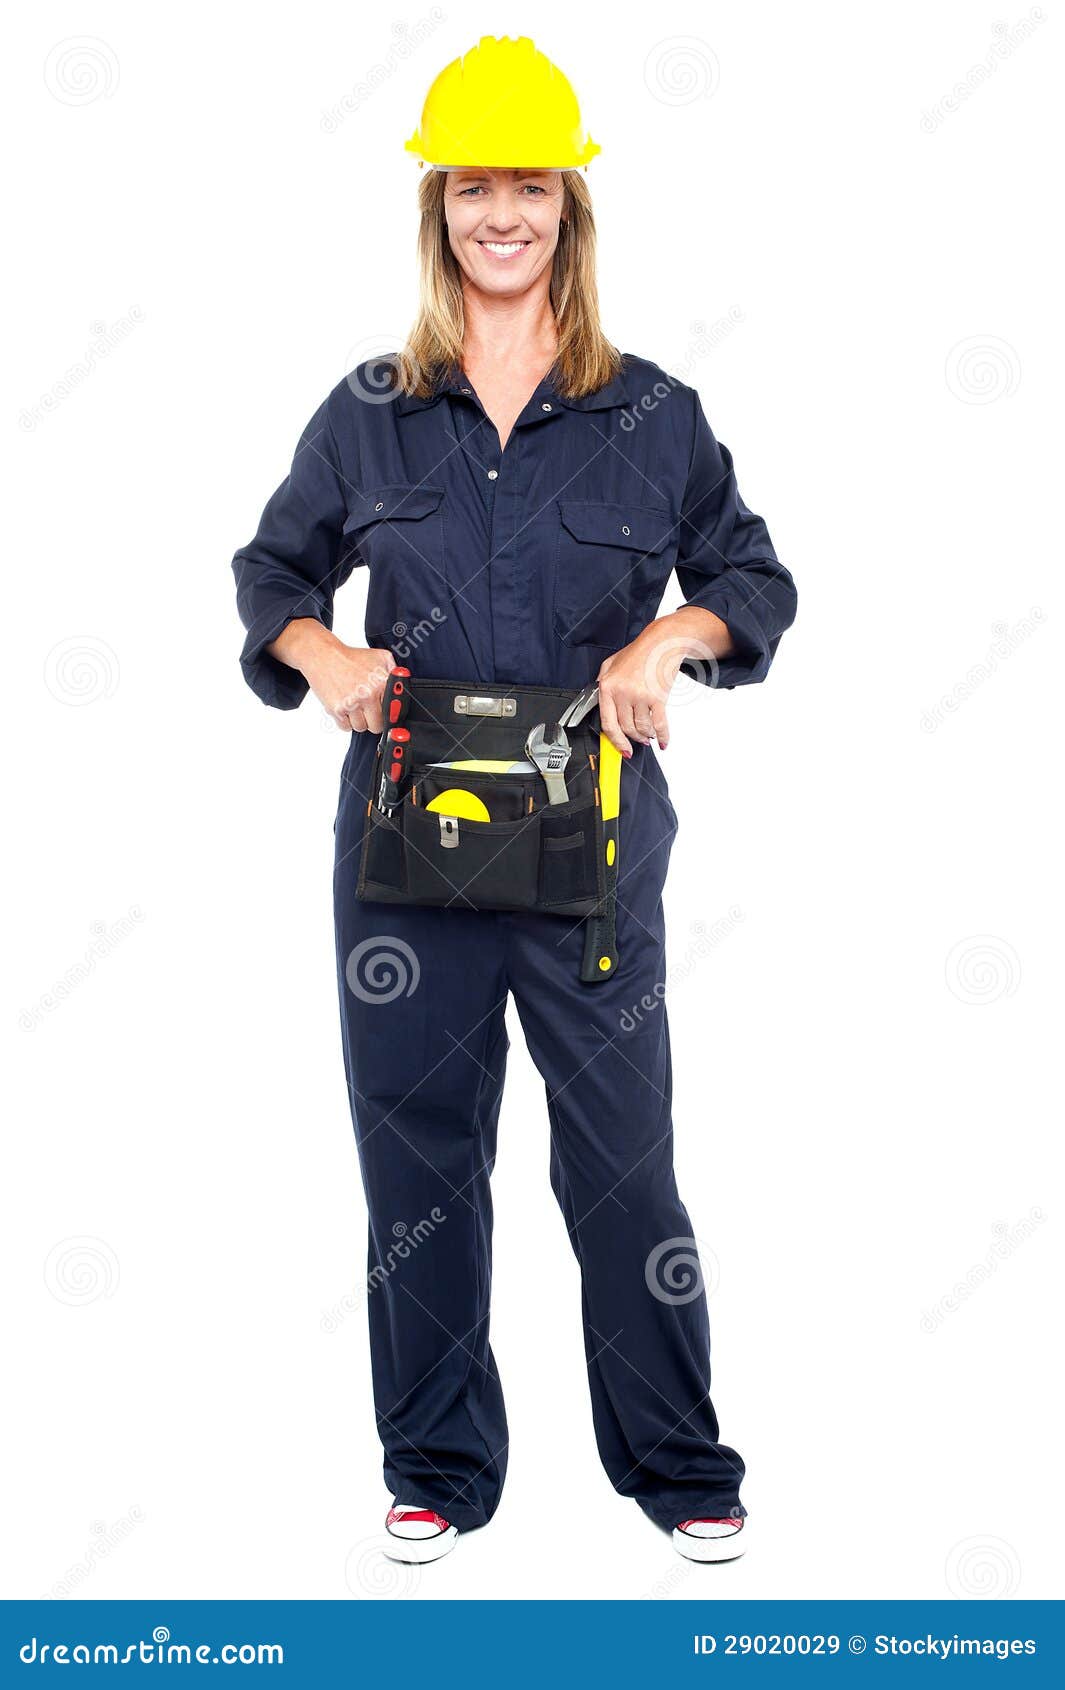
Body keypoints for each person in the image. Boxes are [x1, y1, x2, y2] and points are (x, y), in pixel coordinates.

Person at [231, 35, 797, 1566]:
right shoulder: (369, 408)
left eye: (529, 187)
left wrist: (671, 636)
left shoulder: (652, 411)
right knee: (416, 1164)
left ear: (568, 207)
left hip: (589, 849)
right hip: (404, 853)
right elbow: (273, 571)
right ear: (439, 206)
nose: (501, 215)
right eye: (473, 186)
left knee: (621, 1161)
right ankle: (433, 1465)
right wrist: (320, 651)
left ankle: (677, 1464)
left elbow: (751, 575)